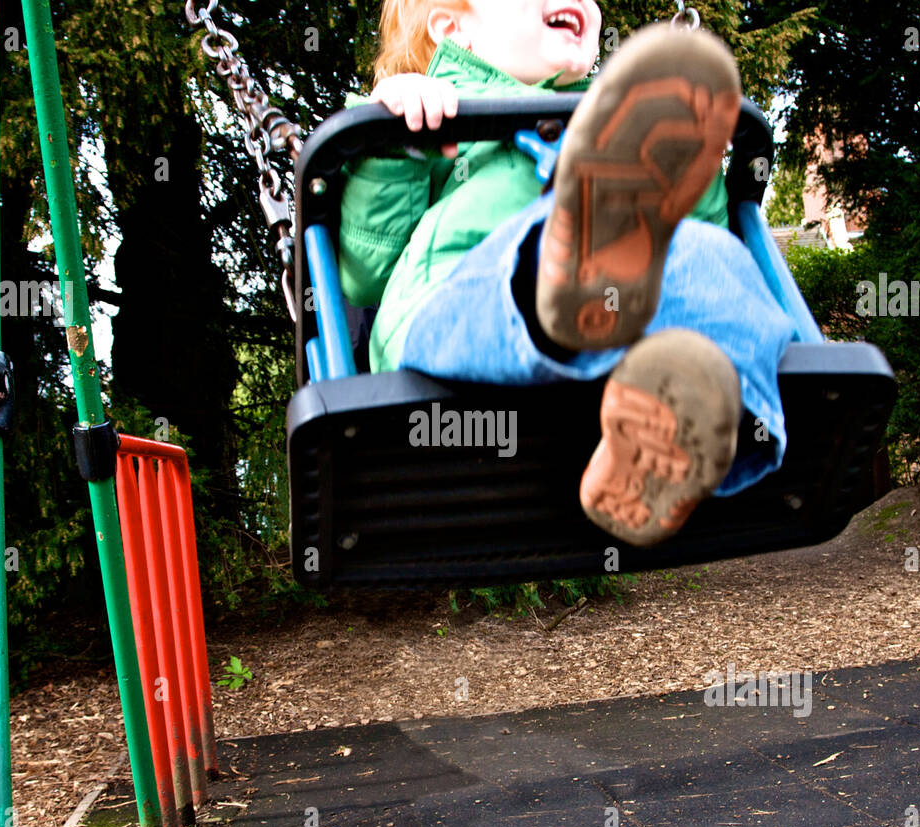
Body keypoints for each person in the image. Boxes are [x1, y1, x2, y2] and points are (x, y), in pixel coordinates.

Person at [339, 0, 822, 546]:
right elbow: (366, 271)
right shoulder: (433, 111)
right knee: (568, 245)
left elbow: (698, 240)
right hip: (460, 308)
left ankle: (667, 444)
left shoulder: (620, 114)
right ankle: (562, 276)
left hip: (612, 332)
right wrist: (393, 143)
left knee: (717, 261)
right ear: (455, 28)